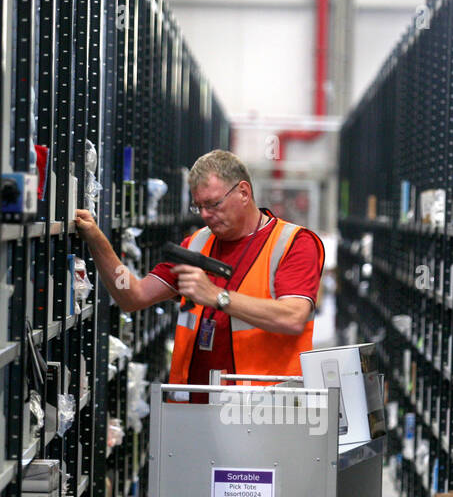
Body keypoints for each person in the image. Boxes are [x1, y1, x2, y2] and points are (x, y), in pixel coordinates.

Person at [72, 149, 325, 401]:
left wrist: (218, 297)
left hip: (264, 409)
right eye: (199, 206)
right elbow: (132, 295)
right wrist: (98, 242)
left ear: (243, 192)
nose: (205, 214)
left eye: (213, 204)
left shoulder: (293, 243)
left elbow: (294, 317)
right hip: (195, 408)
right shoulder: (195, 244)